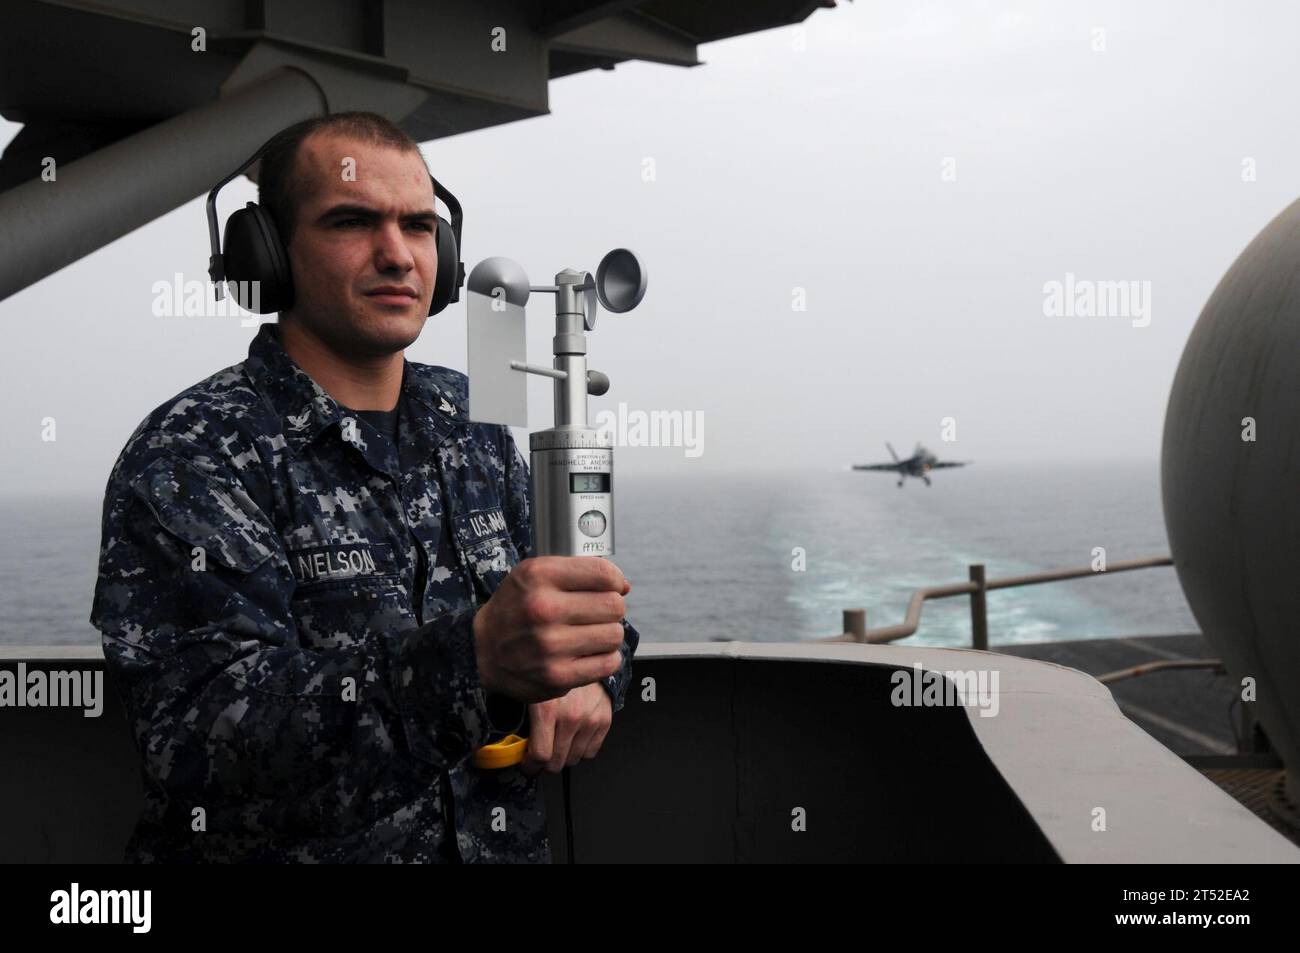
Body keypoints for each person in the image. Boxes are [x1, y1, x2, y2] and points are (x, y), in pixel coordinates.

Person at [89, 111, 639, 863]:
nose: (396, 254)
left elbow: (581, 609)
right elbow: (198, 738)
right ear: (269, 254)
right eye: (352, 221)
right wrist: (473, 661)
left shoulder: (471, 421)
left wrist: (591, 677)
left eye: (418, 227)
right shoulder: (193, 453)